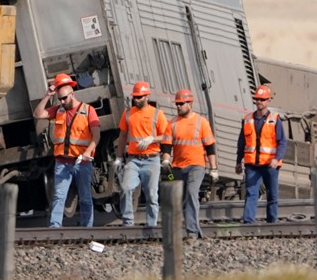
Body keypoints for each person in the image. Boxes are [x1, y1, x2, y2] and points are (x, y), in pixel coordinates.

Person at [33, 73, 100, 227]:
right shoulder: (58, 110)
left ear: (72, 94)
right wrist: (47, 95)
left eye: (64, 98)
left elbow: (96, 136)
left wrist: (88, 152)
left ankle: (87, 228)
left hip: (82, 163)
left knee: (85, 197)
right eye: (60, 99)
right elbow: (37, 114)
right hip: (62, 162)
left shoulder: (88, 110)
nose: (62, 102)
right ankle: (55, 227)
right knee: (58, 196)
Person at [160, 89, 217, 239]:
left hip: (197, 165)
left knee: (192, 193)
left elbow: (210, 147)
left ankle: (191, 232)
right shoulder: (172, 123)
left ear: (190, 103)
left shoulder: (201, 122)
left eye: (181, 103)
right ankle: (188, 230)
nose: (178, 106)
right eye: (177, 104)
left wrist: (214, 168)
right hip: (178, 167)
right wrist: (166, 160)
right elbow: (166, 146)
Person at [113, 81, 170, 227]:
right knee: (126, 188)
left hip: (152, 160)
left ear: (147, 97)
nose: (136, 100)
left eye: (139, 97)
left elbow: (167, 137)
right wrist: (119, 158)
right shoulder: (128, 114)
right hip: (133, 160)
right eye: (135, 97)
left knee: (151, 195)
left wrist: (152, 138)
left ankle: (151, 225)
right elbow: (123, 137)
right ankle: (127, 223)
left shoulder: (157, 114)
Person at [235, 84, 287, 224]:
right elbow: (242, 142)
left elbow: (282, 142)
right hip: (252, 164)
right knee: (251, 193)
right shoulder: (247, 119)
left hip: (270, 165)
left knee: (272, 195)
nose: (259, 102)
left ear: (268, 101)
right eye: (257, 99)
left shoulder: (275, 119)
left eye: (262, 99)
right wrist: (238, 161)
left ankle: (272, 223)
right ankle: (248, 222)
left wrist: (276, 159)